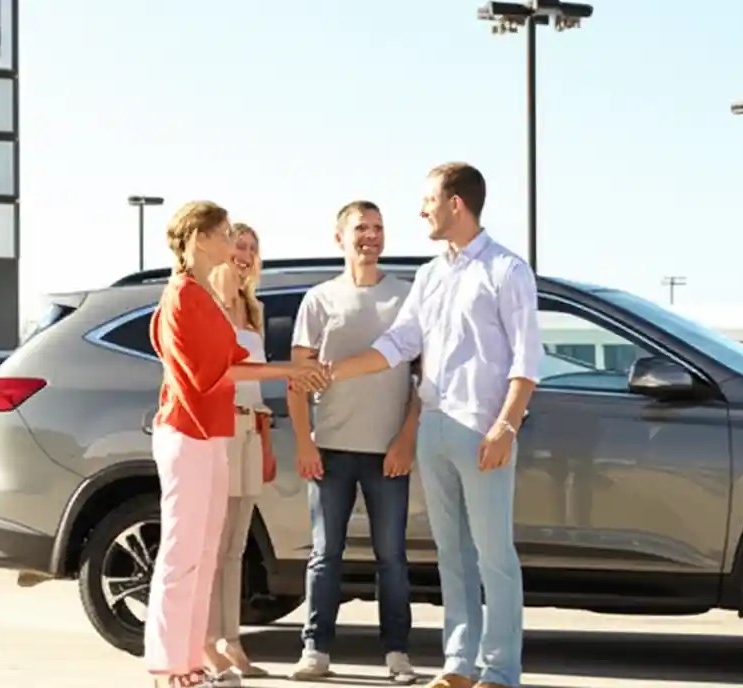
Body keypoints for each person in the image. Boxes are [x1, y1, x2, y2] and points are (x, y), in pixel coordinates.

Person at [326, 163, 541, 688]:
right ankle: (459, 664)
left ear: (456, 204)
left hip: (482, 430)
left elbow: (526, 360)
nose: (421, 209)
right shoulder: (431, 274)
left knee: (494, 555)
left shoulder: (507, 271)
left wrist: (505, 429)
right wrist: (331, 373)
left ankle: (501, 670)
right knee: (453, 555)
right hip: (435, 428)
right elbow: (400, 344)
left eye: (428, 200)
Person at [145, 200, 330, 688]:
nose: (234, 242)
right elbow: (215, 373)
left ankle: (191, 660)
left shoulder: (202, 297)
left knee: (205, 552)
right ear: (201, 238)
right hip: (187, 434)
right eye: (226, 233)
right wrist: (291, 370)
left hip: (214, 434)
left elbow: (233, 367)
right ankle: (169, 666)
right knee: (182, 552)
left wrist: (289, 374)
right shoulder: (182, 296)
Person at [286, 201, 420, 685]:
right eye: (360, 228)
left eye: (378, 227)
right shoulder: (320, 300)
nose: (371, 235)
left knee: (392, 557)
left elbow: (424, 379)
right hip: (332, 450)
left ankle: (398, 654)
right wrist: (304, 441)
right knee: (325, 554)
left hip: (388, 452)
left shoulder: (408, 297)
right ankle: (315, 650)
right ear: (339, 237)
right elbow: (297, 380)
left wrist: (407, 438)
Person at [202, 223, 272, 685]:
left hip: (251, 427)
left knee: (235, 547)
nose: (243, 255)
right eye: (236, 246)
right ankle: (205, 640)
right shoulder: (207, 306)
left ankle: (232, 638)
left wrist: (265, 444)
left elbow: (258, 382)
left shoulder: (255, 310)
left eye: (250, 248)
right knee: (211, 543)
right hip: (218, 431)